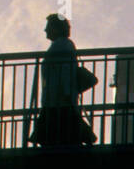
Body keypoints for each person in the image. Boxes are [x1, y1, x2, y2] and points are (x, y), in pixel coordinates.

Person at [30, 13, 96, 147]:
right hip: (58, 101)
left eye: (48, 26)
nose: (45, 30)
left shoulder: (62, 45)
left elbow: (65, 70)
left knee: (57, 137)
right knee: (65, 137)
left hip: (58, 101)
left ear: (56, 28)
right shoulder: (63, 45)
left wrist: (66, 93)